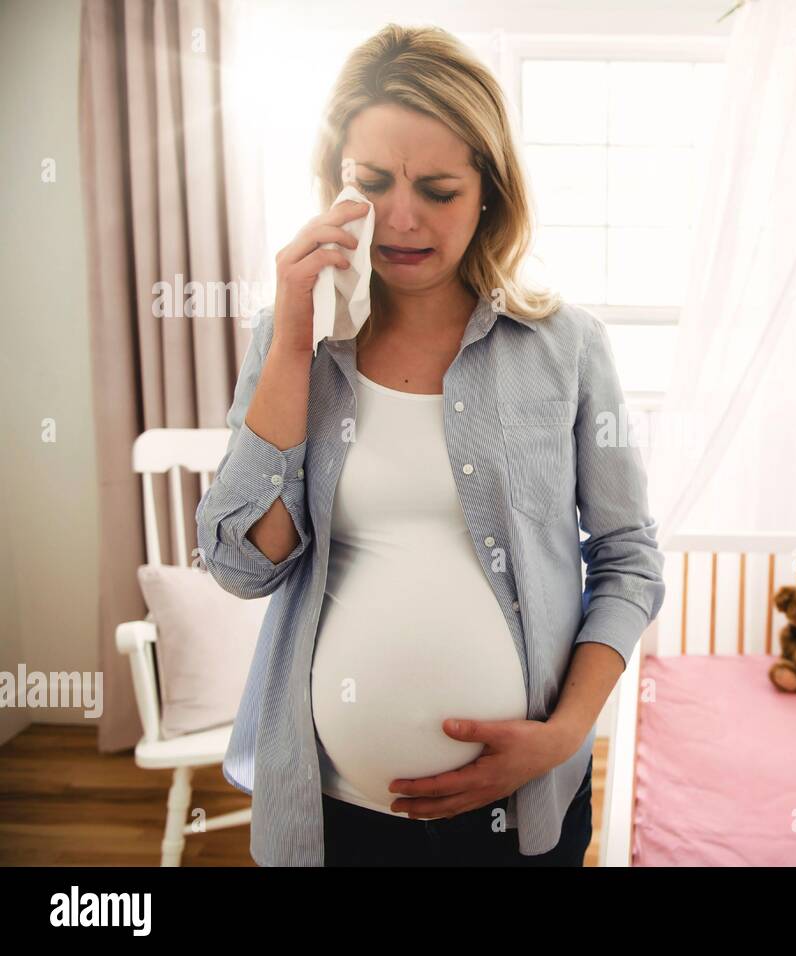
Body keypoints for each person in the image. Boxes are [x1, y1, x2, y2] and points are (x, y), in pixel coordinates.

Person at [195, 23, 666, 867]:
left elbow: (629, 556)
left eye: (439, 189)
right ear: (335, 184)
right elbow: (242, 565)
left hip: (521, 806)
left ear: (489, 191)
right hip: (335, 812)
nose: (402, 218)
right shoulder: (293, 343)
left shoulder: (567, 347)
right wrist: (294, 337)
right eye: (371, 183)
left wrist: (562, 736)